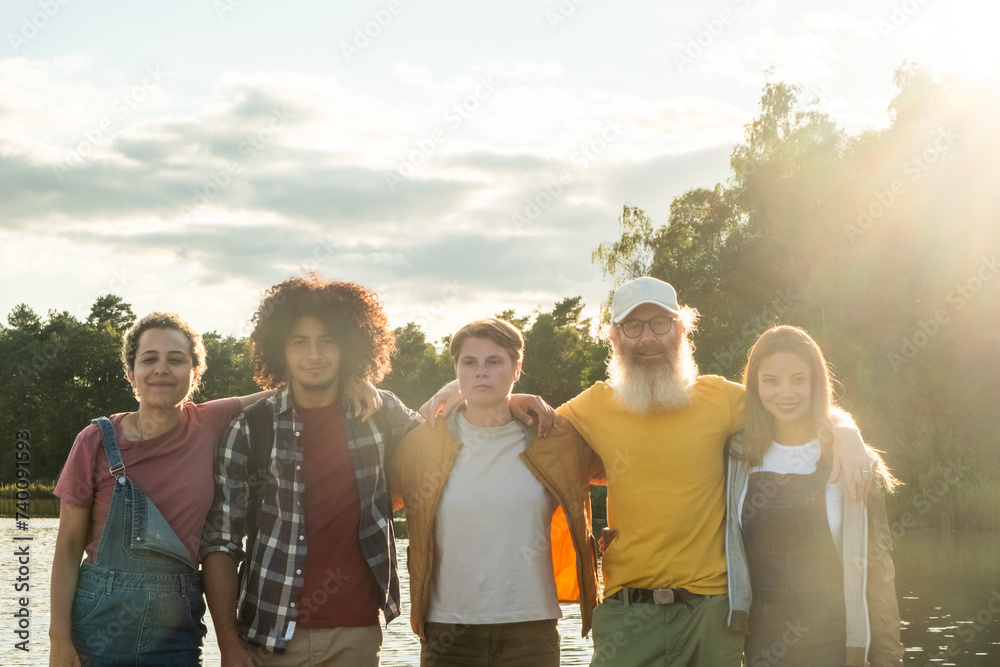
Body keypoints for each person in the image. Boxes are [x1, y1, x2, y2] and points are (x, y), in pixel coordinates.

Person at [423, 276, 874, 667]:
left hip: (711, 612)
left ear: (681, 331)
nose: (648, 338)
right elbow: (514, 418)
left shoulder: (720, 399)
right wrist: (460, 390)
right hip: (626, 612)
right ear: (615, 337)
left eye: (660, 324)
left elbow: (788, 403)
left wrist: (847, 431)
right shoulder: (594, 405)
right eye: (633, 327)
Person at [201, 278, 555, 666]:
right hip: (268, 636)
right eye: (299, 342)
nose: (314, 355)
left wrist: (511, 398)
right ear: (280, 350)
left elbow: (448, 429)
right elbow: (221, 544)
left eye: (328, 341)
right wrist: (229, 646)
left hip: (358, 634)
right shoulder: (251, 428)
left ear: (349, 346)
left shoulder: (381, 413)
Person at [49, 312, 274, 666]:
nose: (162, 369)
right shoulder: (94, 441)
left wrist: (358, 382)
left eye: (177, 359)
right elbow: (67, 547)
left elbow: (288, 391)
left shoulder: (210, 422)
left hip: (176, 631)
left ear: (195, 373)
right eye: (149, 359)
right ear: (131, 373)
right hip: (96, 629)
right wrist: (59, 640)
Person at [390, 318, 601, 666]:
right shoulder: (421, 444)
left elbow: (630, 473)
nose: (480, 372)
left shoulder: (556, 438)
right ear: (456, 371)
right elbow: (373, 504)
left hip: (531, 631)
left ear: (517, 369)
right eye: (469, 363)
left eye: (494, 362)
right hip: (447, 633)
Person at [725, 325, 903, 666]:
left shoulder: (853, 460)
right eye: (771, 380)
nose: (785, 392)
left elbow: (879, 574)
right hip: (761, 639)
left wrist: (889, 659)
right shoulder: (735, 457)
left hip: (836, 639)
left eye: (797, 379)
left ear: (815, 382)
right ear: (755, 384)